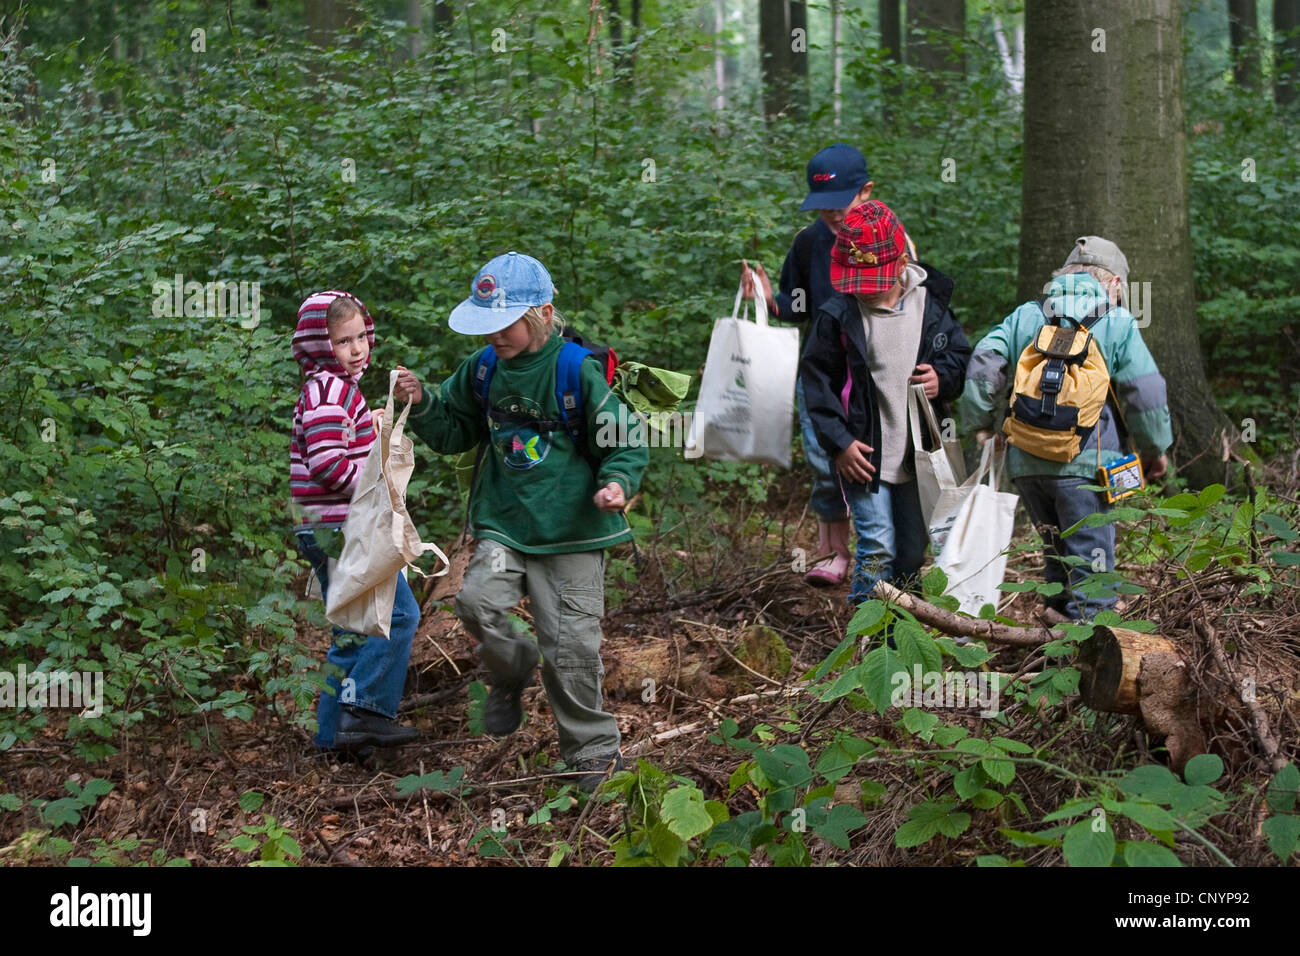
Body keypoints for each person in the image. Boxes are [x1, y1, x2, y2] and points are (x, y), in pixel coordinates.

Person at [394, 252, 649, 793]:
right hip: (506, 524)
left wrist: (618, 483)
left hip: (574, 531)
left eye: (502, 323)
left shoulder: (574, 369)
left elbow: (624, 439)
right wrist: (421, 403)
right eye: (484, 325)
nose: (493, 336)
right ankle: (512, 670)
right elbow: (453, 430)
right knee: (475, 602)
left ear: (542, 313)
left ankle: (594, 759)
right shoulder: (484, 368)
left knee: (572, 649)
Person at [961, 236, 1172, 621]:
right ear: (1114, 283)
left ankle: (1052, 633)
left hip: (1027, 464)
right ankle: (1089, 654)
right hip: (1086, 467)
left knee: (1056, 556)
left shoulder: (1026, 315)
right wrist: (1156, 448)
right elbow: (1146, 390)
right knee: (1092, 571)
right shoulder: (1117, 320)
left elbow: (982, 362)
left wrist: (979, 425)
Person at [740, 144, 913, 586]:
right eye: (823, 207)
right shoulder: (808, 242)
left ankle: (889, 553)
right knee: (824, 459)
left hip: (874, 369)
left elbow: (914, 302)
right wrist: (765, 297)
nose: (832, 214)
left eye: (840, 203)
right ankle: (833, 552)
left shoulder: (890, 236)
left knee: (878, 458)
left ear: (866, 191)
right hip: (823, 367)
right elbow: (796, 305)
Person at [800, 200, 971, 605]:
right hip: (863, 454)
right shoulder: (837, 316)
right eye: (854, 278)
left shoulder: (930, 305)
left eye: (871, 278)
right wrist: (839, 443)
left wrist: (942, 378)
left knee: (912, 551)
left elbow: (959, 356)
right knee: (878, 548)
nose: (862, 287)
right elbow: (817, 384)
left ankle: (902, 626)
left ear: (900, 264)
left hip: (917, 455)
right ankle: (865, 638)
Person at [290, 290, 420, 754]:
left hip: (322, 528)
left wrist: (371, 422)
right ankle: (365, 712)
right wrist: (373, 489)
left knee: (349, 631)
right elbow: (327, 461)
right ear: (320, 346)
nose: (358, 348)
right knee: (399, 615)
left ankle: (330, 737)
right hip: (341, 528)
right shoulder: (328, 389)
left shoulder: (335, 390)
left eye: (362, 336)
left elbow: (342, 436)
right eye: (344, 342)